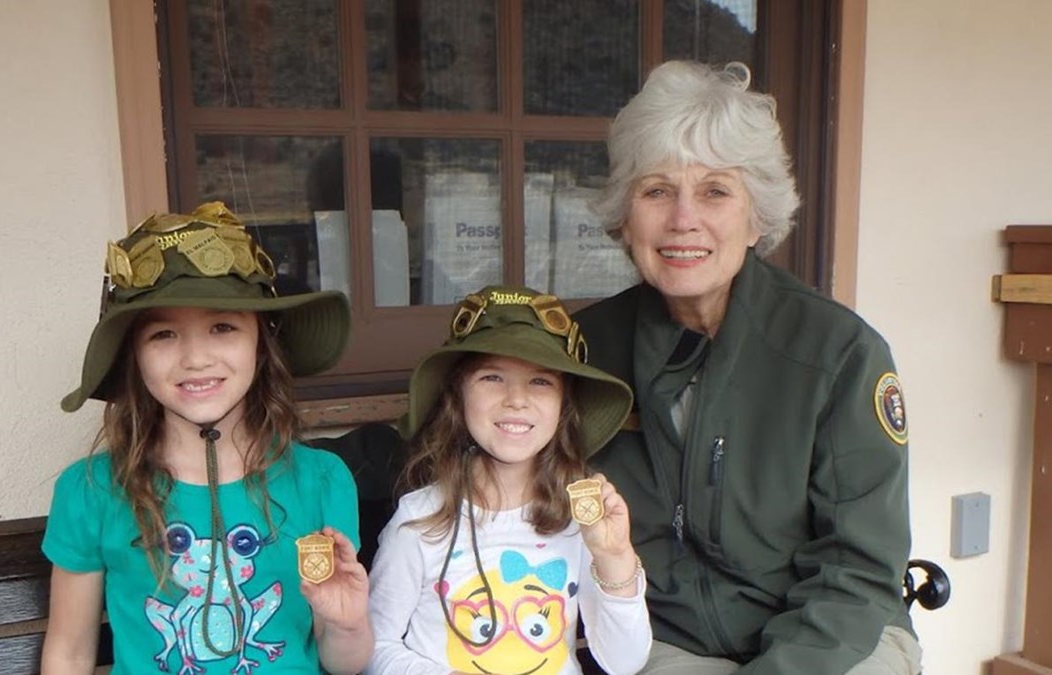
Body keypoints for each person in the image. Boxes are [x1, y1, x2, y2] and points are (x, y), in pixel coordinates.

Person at [575, 60, 922, 674]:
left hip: (832, 636)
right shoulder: (585, 351)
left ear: (757, 215)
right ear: (624, 217)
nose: (684, 219)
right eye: (656, 190)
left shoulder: (838, 352)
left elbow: (859, 566)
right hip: (663, 637)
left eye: (715, 190)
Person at [40, 202, 373, 674]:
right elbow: (69, 654)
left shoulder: (320, 481)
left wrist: (347, 624)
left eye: (222, 327)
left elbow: (345, 665)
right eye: (164, 334)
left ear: (262, 344)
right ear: (133, 355)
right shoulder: (92, 491)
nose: (195, 358)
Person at [366, 286, 653, 675]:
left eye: (540, 382)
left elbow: (624, 661)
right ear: (458, 396)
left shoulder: (583, 522)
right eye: (492, 377)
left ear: (563, 406)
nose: (516, 399)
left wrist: (614, 557)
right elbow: (375, 646)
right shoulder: (419, 520)